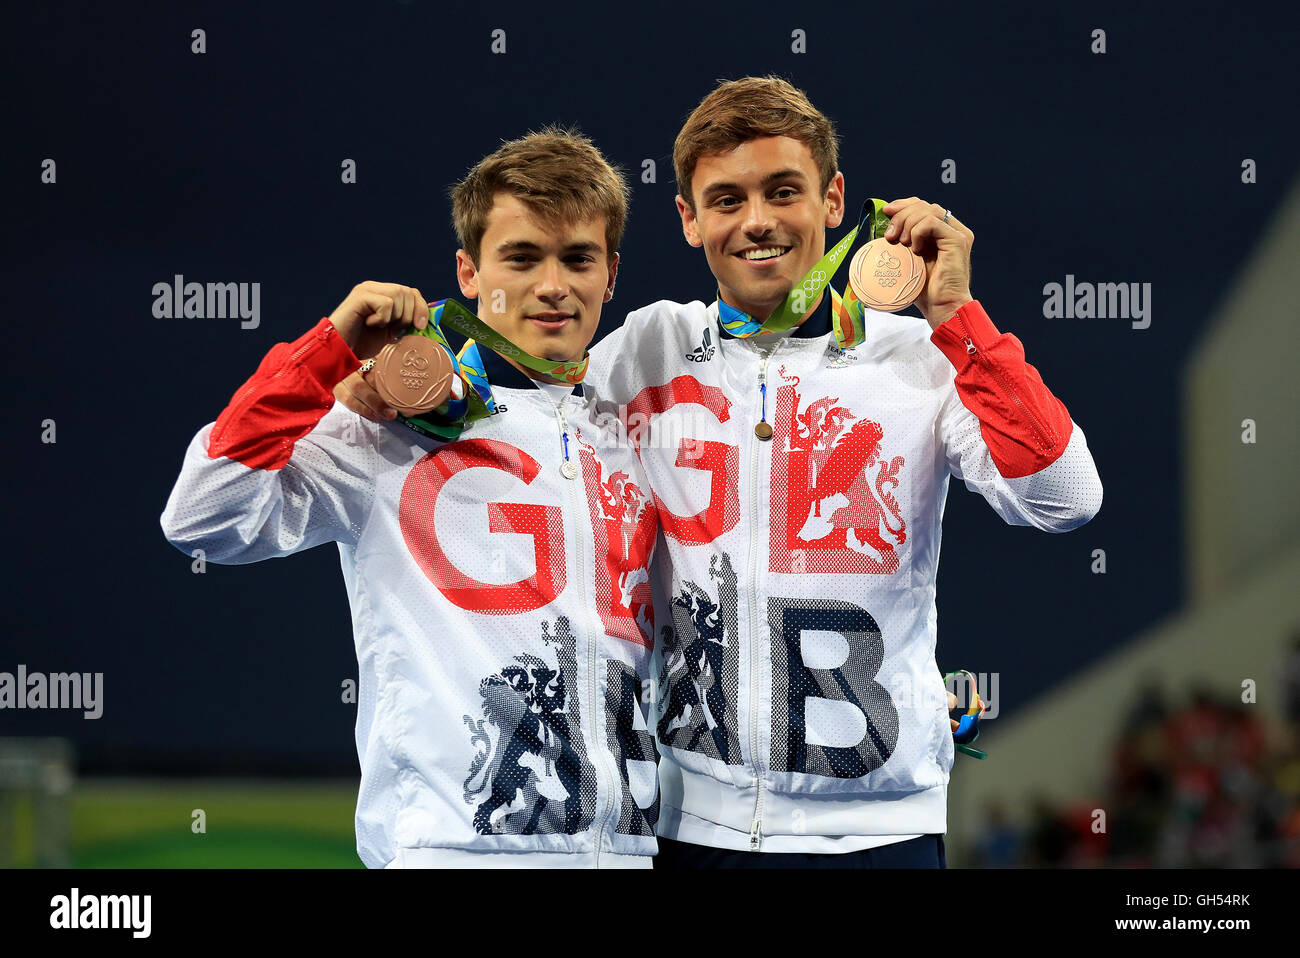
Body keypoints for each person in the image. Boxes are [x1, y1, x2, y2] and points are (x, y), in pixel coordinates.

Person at [337, 77, 1104, 868]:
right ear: (689, 219)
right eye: (727, 199)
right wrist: (410, 385)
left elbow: (1065, 498)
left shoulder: (919, 361)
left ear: (834, 198)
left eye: (784, 191)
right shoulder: (645, 351)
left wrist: (959, 318)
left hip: (885, 829)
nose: (759, 220)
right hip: (696, 833)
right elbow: (524, 392)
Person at [160, 128, 663, 868]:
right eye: (521, 258)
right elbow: (202, 516)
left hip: (622, 854)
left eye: (577, 258)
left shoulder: (632, 438)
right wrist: (326, 350)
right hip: (448, 851)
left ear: (611, 274)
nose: (553, 285)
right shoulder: (386, 430)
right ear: (468, 270)